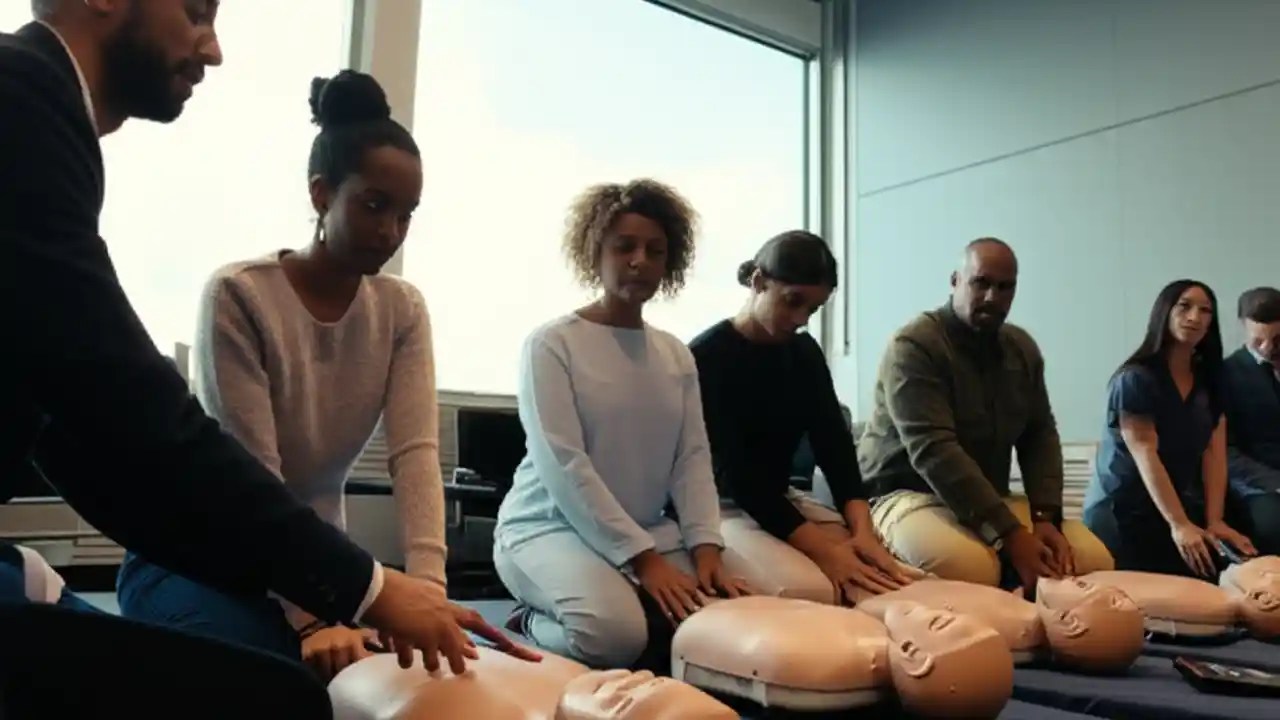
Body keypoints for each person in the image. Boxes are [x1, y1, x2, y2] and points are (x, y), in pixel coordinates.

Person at [0, 2, 531, 715]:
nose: (212, 49)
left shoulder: (41, 113)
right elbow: (127, 402)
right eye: (194, 10)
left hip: (260, 546)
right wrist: (354, 594)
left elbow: (75, 425)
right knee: (278, 694)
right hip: (239, 552)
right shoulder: (23, 99)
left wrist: (409, 592)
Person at [117, 69, 447, 682]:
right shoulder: (239, 295)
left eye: (406, 214)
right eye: (374, 205)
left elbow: (415, 454)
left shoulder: (402, 310)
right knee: (268, 681)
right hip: (195, 554)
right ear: (322, 194)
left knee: (391, 676)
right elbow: (253, 475)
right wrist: (312, 619)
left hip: (317, 560)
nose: (390, 231)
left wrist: (429, 594)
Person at [493, 179, 748, 669]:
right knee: (615, 638)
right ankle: (529, 621)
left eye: (655, 250)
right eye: (624, 246)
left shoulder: (674, 353)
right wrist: (645, 562)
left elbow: (692, 459)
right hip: (548, 528)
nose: (640, 260)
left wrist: (706, 547)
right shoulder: (551, 345)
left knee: (724, 616)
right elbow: (566, 466)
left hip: (646, 531)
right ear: (596, 252)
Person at [858, 238, 1113, 591]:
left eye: (1005, 287)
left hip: (986, 500)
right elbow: (934, 450)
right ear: (955, 281)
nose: (993, 296)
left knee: (1092, 560)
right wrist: (1011, 536)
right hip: (903, 494)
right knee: (969, 567)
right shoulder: (914, 346)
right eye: (981, 283)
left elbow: (1039, 434)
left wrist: (1045, 519)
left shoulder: (1021, 348)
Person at [689, 231, 917, 605]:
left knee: (885, 571)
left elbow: (834, 444)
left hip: (778, 497)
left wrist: (863, 531)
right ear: (759, 281)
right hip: (720, 506)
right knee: (812, 590)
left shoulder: (802, 351)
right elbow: (740, 477)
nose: (800, 319)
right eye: (792, 302)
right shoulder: (706, 359)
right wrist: (826, 551)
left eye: (812, 310)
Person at [1083, 280, 1257, 577]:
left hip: (1175, 507)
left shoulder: (1210, 383)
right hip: (1124, 509)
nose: (1194, 317)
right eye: (1184, 306)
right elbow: (1145, 453)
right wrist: (1179, 525)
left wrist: (1214, 520)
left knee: (1231, 565)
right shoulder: (1135, 379)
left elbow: (1214, 454)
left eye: (1205, 311)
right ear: (1164, 311)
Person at [1223, 287, 1280, 555]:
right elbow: (1225, 450)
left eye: (1278, 339)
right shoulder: (1225, 374)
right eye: (1258, 341)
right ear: (1242, 327)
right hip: (1257, 485)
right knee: (1273, 525)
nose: (1268, 348)